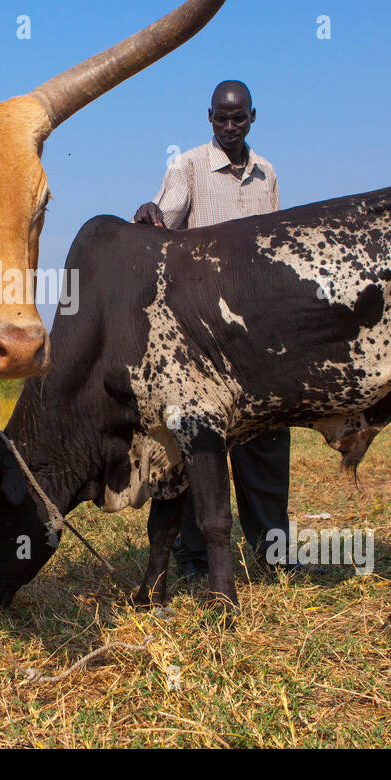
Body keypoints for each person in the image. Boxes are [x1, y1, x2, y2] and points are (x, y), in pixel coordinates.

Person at [133, 80, 291, 580]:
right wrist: (151, 215)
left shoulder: (267, 174)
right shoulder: (189, 166)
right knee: (201, 447)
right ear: (209, 118)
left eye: (238, 118)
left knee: (265, 443)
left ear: (251, 117)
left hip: (258, 331)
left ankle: (274, 554)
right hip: (204, 334)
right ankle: (196, 559)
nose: (229, 127)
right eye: (221, 119)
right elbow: (165, 217)